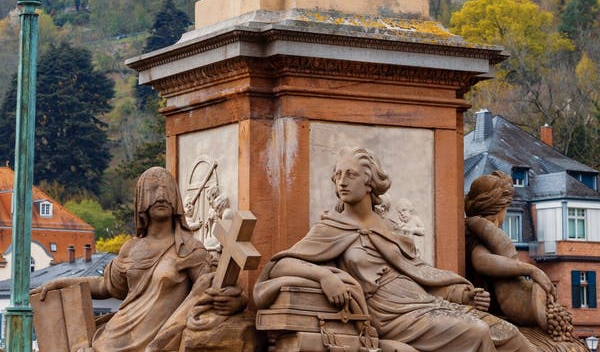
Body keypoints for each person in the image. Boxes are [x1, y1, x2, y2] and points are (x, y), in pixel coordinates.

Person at [254, 147, 534, 351]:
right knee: (476, 331)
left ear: (369, 182)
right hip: (390, 313)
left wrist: (459, 293)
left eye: (351, 174)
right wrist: (324, 277)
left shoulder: (387, 226)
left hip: (423, 302)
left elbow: (417, 271)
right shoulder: (331, 227)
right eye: (338, 174)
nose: (341, 181)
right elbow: (280, 264)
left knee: (508, 334)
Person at [32, 167, 245, 352]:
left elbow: (210, 289)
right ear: (142, 200)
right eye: (153, 190)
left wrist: (238, 301)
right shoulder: (131, 249)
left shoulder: (188, 248)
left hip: (156, 341)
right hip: (113, 339)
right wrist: (60, 283)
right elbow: (104, 286)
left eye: (167, 189)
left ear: (176, 199)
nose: (161, 196)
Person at [465, 171, 586, 351]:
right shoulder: (479, 233)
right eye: (506, 207)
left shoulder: (486, 232)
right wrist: (531, 270)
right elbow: (481, 261)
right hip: (492, 311)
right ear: (499, 208)